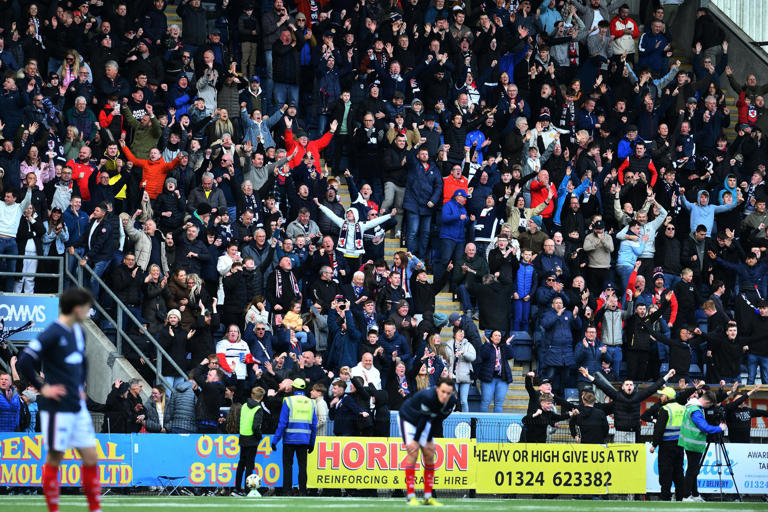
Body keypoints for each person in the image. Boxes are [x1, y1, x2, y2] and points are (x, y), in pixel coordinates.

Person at [15, 288, 102, 512]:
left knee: (91, 456)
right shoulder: (52, 333)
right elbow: (23, 362)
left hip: (77, 405)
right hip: (56, 408)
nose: (89, 311)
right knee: (55, 456)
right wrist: (45, 387)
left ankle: (95, 508)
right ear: (76, 308)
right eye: (87, 307)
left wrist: (81, 384)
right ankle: (53, 508)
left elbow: (83, 361)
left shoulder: (79, 333)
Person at [398, 377, 457, 506]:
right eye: (443, 391)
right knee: (413, 452)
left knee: (430, 453)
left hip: (424, 420)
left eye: (448, 393)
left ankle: (427, 497)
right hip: (408, 418)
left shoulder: (451, 401)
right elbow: (423, 419)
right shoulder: (428, 397)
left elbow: (436, 420)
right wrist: (415, 441)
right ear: (437, 389)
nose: (445, 395)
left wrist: (429, 440)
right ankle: (411, 496)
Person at [271, 378, 318, 496]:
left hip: (289, 439)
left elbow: (282, 423)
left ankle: (287, 491)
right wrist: (312, 443)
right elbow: (314, 425)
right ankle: (303, 491)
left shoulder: (288, 401)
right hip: (304, 440)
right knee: (303, 466)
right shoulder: (311, 402)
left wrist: (275, 440)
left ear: (293, 388)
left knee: (287, 466)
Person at [678, 390, 727, 502]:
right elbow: (705, 427)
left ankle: (694, 494)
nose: (709, 407)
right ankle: (685, 496)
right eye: (710, 405)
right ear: (708, 401)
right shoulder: (696, 410)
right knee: (692, 471)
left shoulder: (692, 407)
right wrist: (720, 428)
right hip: (694, 444)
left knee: (693, 470)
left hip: (691, 442)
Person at [649, 386, 686, 502]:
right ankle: (680, 497)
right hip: (680, 445)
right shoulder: (683, 408)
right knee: (679, 472)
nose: (661, 397)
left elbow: (659, 430)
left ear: (668, 397)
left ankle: (665, 497)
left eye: (662, 395)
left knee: (666, 472)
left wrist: (654, 445)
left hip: (666, 446)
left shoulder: (665, 409)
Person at [234, 386, 265, 496]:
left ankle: (237, 488)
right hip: (252, 439)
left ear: (252, 395)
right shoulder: (258, 408)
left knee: (241, 464)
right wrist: (259, 436)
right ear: (261, 397)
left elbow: (239, 420)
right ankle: (247, 490)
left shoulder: (244, 406)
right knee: (249, 465)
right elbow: (256, 427)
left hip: (243, 437)